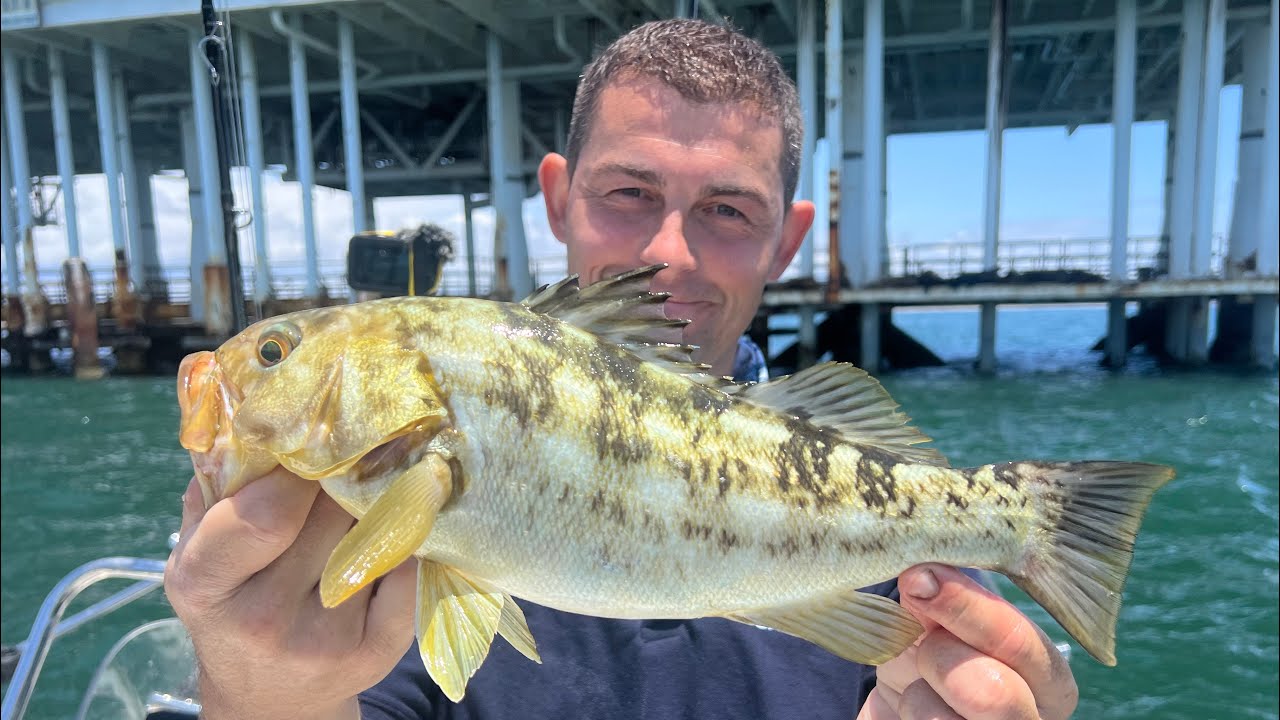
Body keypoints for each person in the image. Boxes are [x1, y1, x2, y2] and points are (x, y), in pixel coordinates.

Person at [165, 19, 1079, 720]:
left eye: (726, 209)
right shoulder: (348, 531)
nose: (669, 255)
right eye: (630, 194)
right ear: (559, 197)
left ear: (787, 240)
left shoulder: (904, 569)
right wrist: (263, 694)